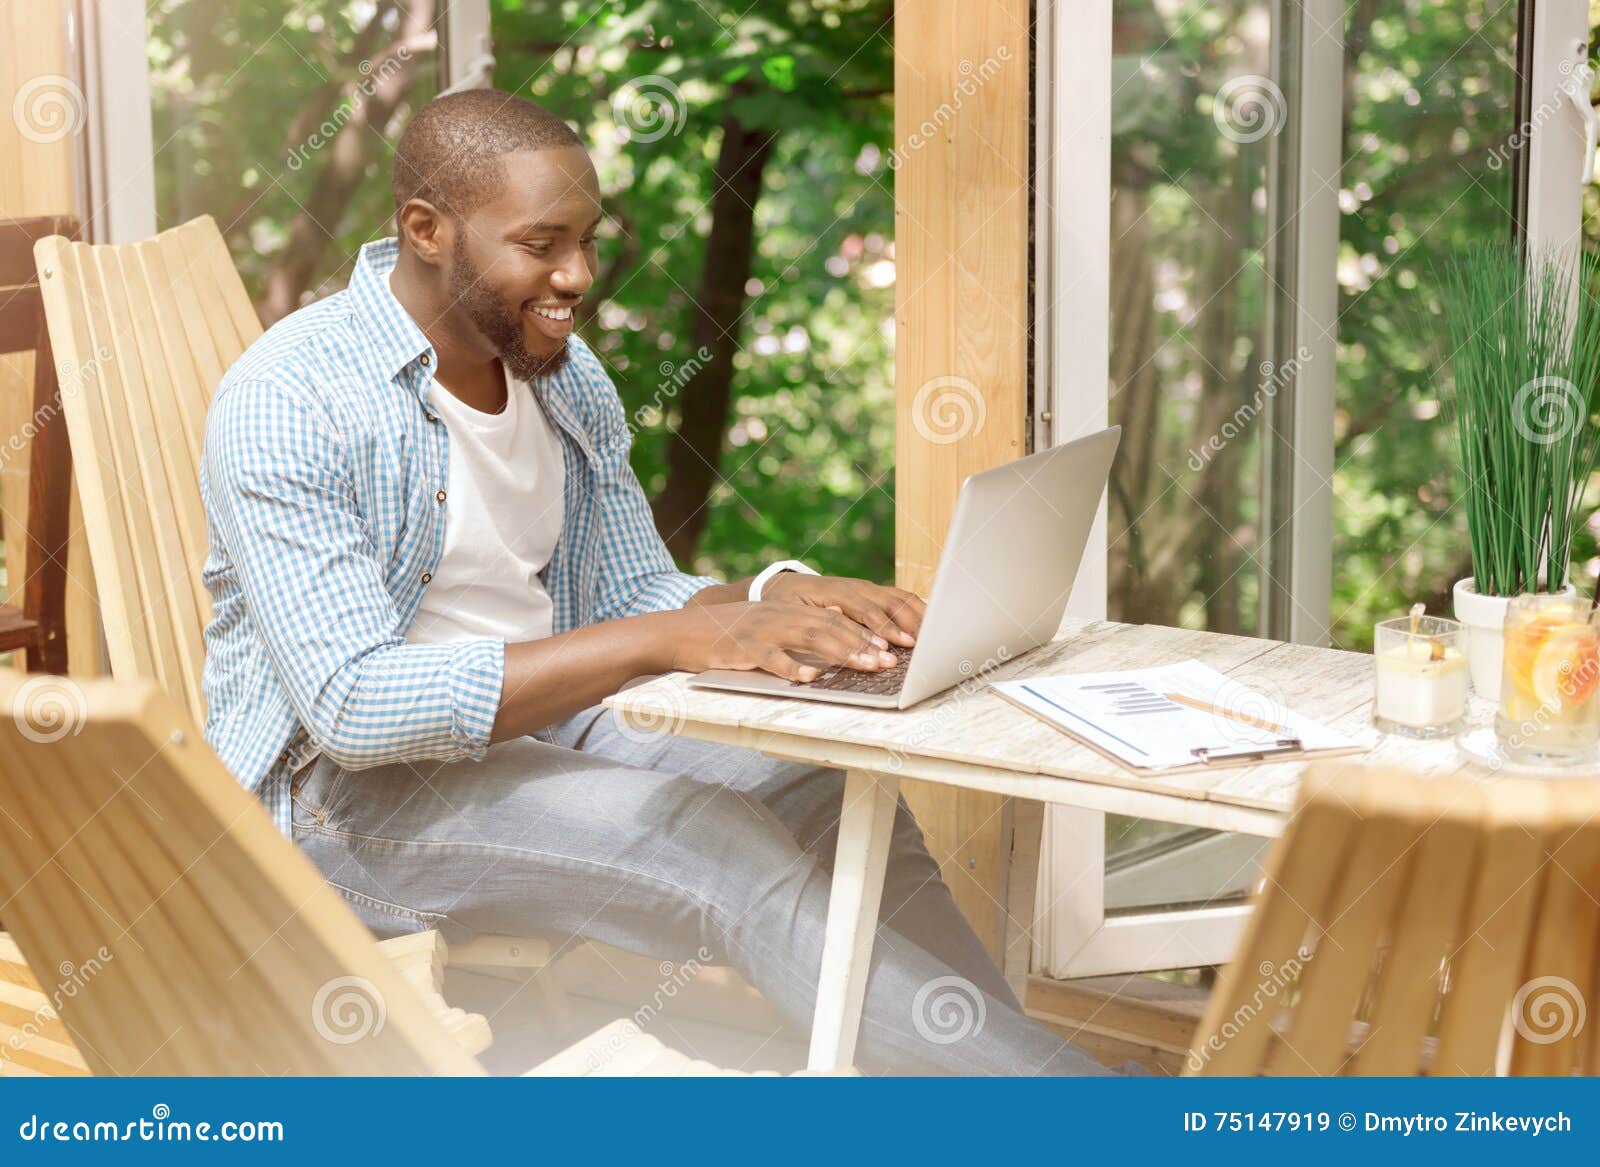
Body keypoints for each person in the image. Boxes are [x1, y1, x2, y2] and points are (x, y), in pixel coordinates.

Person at [200, 88, 1111, 1076]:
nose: (577, 275)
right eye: (541, 244)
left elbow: (630, 586)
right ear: (427, 231)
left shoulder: (558, 372)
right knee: (715, 846)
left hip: (543, 737)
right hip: (344, 807)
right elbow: (353, 708)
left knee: (834, 793)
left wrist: (770, 598)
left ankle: (995, 1084)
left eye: (587, 241)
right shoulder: (291, 398)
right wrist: (667, 642)